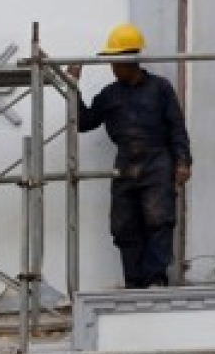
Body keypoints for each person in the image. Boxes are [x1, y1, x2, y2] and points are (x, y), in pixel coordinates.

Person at [68, 24, 192, 289]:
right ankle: (134, 282)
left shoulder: (160, 89)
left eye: (116, 61)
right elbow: (84, 121)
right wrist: (72, 88)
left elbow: (176, 127)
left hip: (157, 161)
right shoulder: (110, 95)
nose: (112, 66)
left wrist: (183, 161)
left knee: (159, 220)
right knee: (124, 226)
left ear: (131, 59)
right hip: (125, 165)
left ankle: (156, 279)